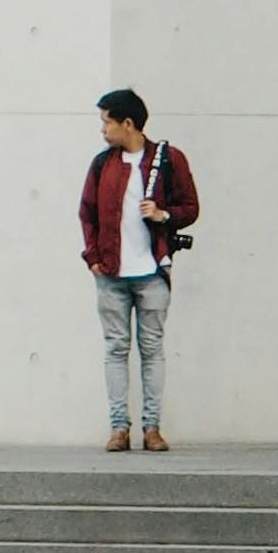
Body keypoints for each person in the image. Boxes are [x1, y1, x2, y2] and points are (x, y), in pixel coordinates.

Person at [77, 86, 198, 450]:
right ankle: (119, 428)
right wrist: (93, 258)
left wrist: (164, 215)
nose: (102, 129)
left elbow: (190, 207)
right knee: (116, 349)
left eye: (106, 122)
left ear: (127, 123)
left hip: (151, 274)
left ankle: (151, 428)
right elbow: (88, 214)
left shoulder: (169, 159)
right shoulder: (102, 164)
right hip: (111, 275)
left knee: (152, 349)